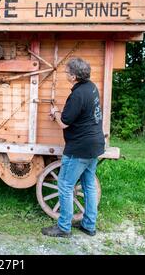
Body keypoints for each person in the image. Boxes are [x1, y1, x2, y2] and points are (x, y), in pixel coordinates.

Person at [41, 57, 105, 238]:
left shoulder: (77, 95)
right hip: (95, 145)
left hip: (79, 148)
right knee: (89, 186)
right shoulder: (91, 87)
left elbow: (64, 123)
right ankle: (89, 225)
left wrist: (55, 112)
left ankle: (63, 227)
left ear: (75, 76)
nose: (65, 74)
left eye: (67, 72)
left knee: (65, 185)